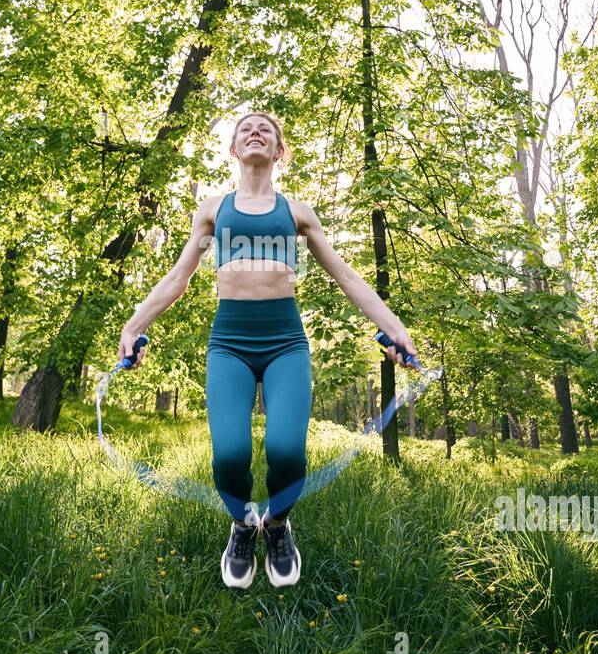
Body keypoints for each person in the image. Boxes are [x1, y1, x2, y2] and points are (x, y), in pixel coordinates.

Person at [117, 111, 416, 590]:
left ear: (279, 151)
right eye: (245, 129)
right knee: (230, 455)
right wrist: (133, 326)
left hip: (285, 343)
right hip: (229, 343)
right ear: (233, 150)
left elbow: (347, 277)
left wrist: (395, 328)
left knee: (287, 452)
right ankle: (241, 526)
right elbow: (178, 278)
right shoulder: (213, 210)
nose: (255, 132)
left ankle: (276, 526)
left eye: (267, 130)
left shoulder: (297, 212)